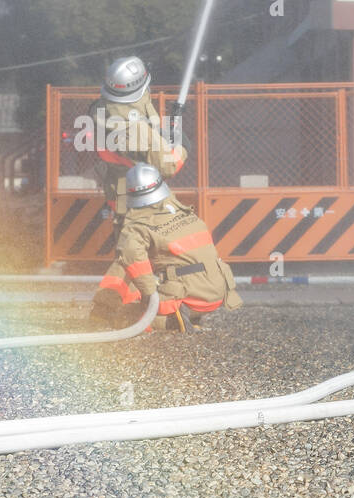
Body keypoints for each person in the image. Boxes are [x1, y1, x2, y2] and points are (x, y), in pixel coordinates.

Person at [91, 163, 242, 332]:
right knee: (163, 265)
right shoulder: (182, 211)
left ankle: (168, 321)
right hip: (215, 294)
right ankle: (189, 315)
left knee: (129, 314)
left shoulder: (138, 227)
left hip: (187, 297)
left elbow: (131, 256)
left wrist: (149, 298)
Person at [88, 56, 187, 223]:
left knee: (126, 240)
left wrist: (156, 133)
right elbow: (169, 166)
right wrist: (181, 143)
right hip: (143, 200)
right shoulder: (137, 130)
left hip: (118, 193)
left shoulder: (98, 111)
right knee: (143, 245)